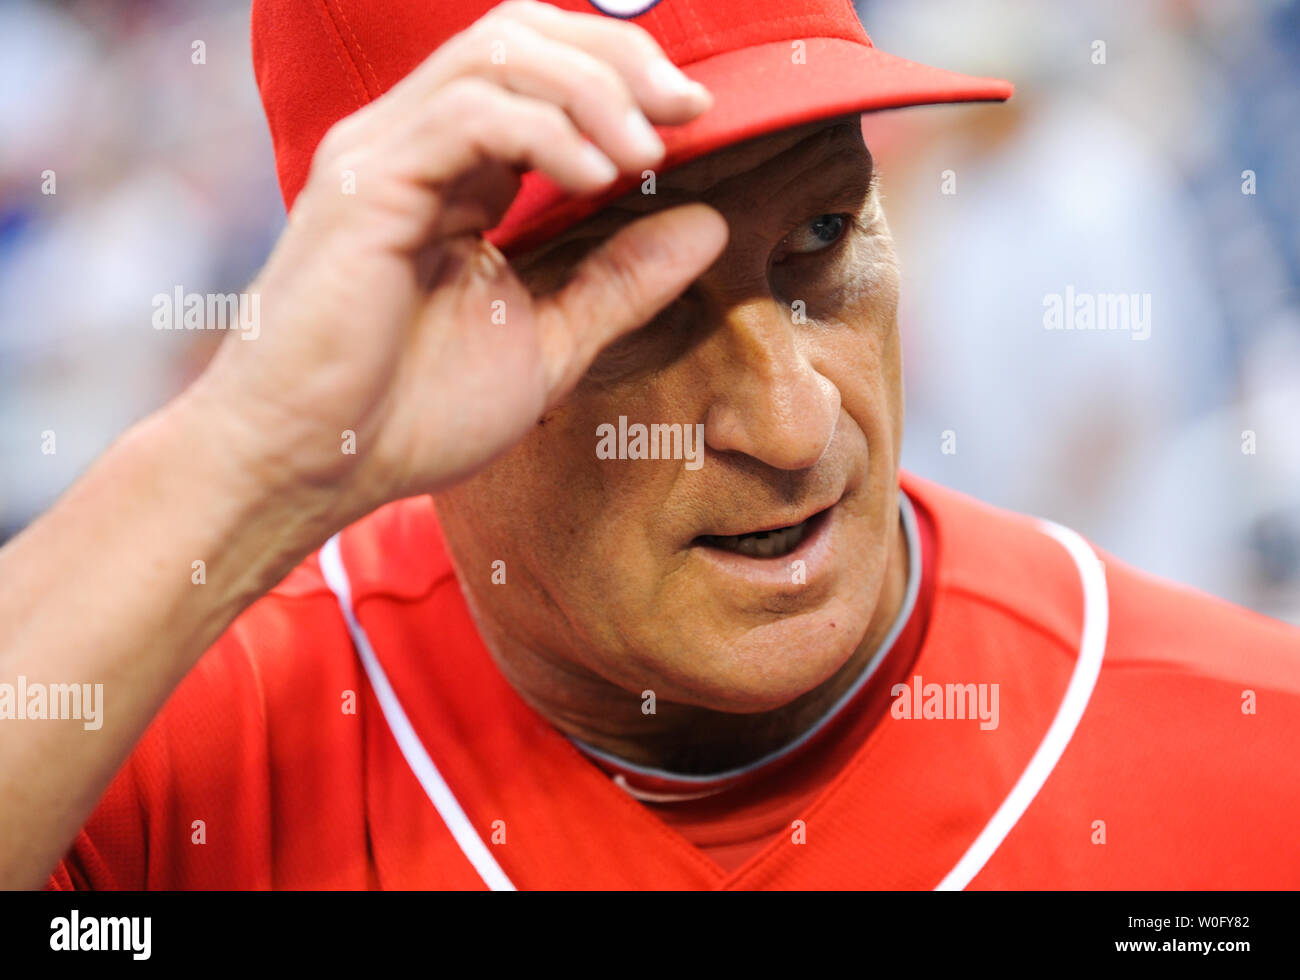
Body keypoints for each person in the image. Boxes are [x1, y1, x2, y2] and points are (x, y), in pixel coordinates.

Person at [3, 0, 1297, 891]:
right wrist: (248, 451)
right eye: (625, 302)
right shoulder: (166, 760)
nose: (794, 425)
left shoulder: (1249, 754)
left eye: (823, 240)